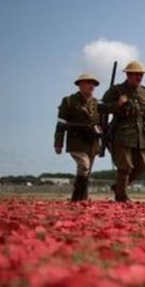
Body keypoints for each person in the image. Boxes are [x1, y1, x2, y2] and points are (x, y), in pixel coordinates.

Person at [100, 60, 145, 202]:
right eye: (135, 74)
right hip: (121, 135)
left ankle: (119, 187)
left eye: (141, 74)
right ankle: (122, 196)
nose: (138, 77)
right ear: (128, 75)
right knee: (125, 167)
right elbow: (101, 107)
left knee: (141, 166)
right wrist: (117, 104)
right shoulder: (117, 90)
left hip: (141, 135)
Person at [54, 73, 102, 201]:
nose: (91, 86)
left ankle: (80, 198)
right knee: (84, 165)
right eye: (87, 82)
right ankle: (78, 198)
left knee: (86, 170)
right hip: (76, 140)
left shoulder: (97, 103)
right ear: (80, 85)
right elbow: (61, 124)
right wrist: (58, 143)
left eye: (93, 83)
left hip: (92, 142)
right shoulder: (69, 101)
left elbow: (102, 123)